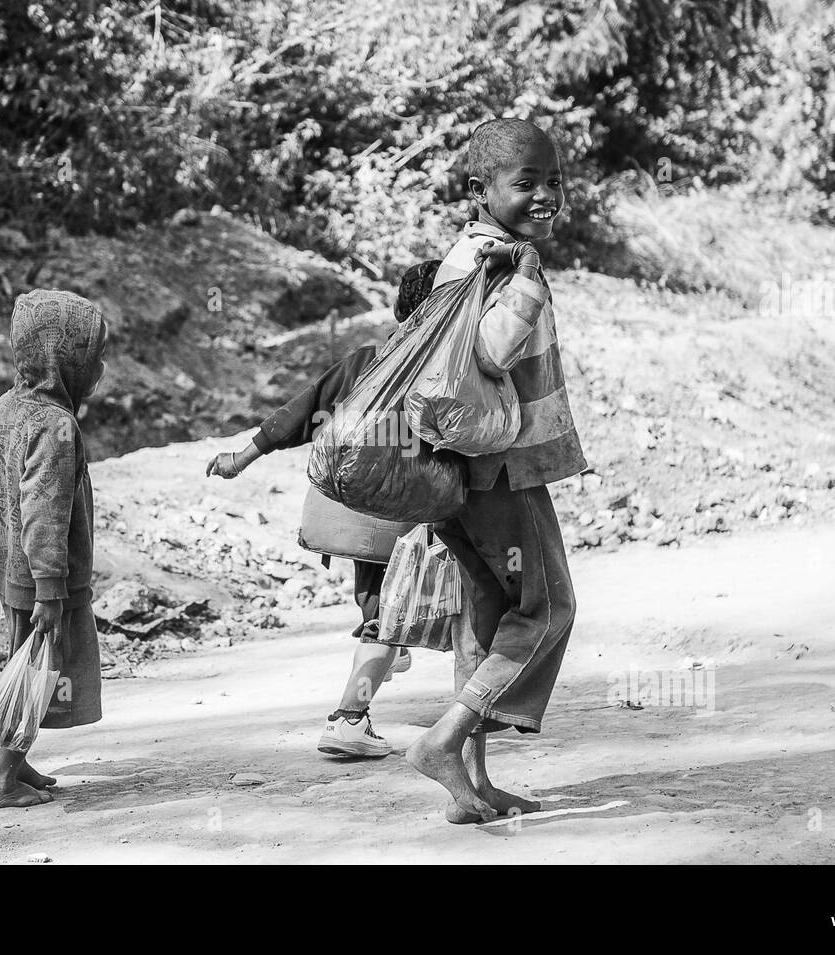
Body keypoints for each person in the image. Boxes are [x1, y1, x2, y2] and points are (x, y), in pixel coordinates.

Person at [405, 118, 589, 823]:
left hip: (465, 471)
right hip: (499, 472)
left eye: (554, 181)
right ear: (480, 190)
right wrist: (528, 286)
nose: (545, 195)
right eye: (527, 183)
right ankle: (445, 739)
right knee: (548, 608)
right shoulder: (501, 263)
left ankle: (471, 785)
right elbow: (490, 353)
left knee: (482, 616)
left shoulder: (476, 253)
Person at [206, 261, 441, 757]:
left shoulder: (365, 361)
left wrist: (240, 458)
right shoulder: (440, 373)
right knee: (390, 619)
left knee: (381, 610)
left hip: (352, 510)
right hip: (400, 517)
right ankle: (349, 719)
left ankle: (386, 651)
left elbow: (302, 411)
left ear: (400, 311)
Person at [0, 289, 108, 809]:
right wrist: (51, 588)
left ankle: (20, 762)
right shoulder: (56, 426)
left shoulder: (6, 408)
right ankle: (2, 778)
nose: (99, 369)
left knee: (32, 667)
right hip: (39, 581)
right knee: (41, 673)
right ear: (65, 361)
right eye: (92, 358)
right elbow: (44, 508)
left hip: (6, 571)